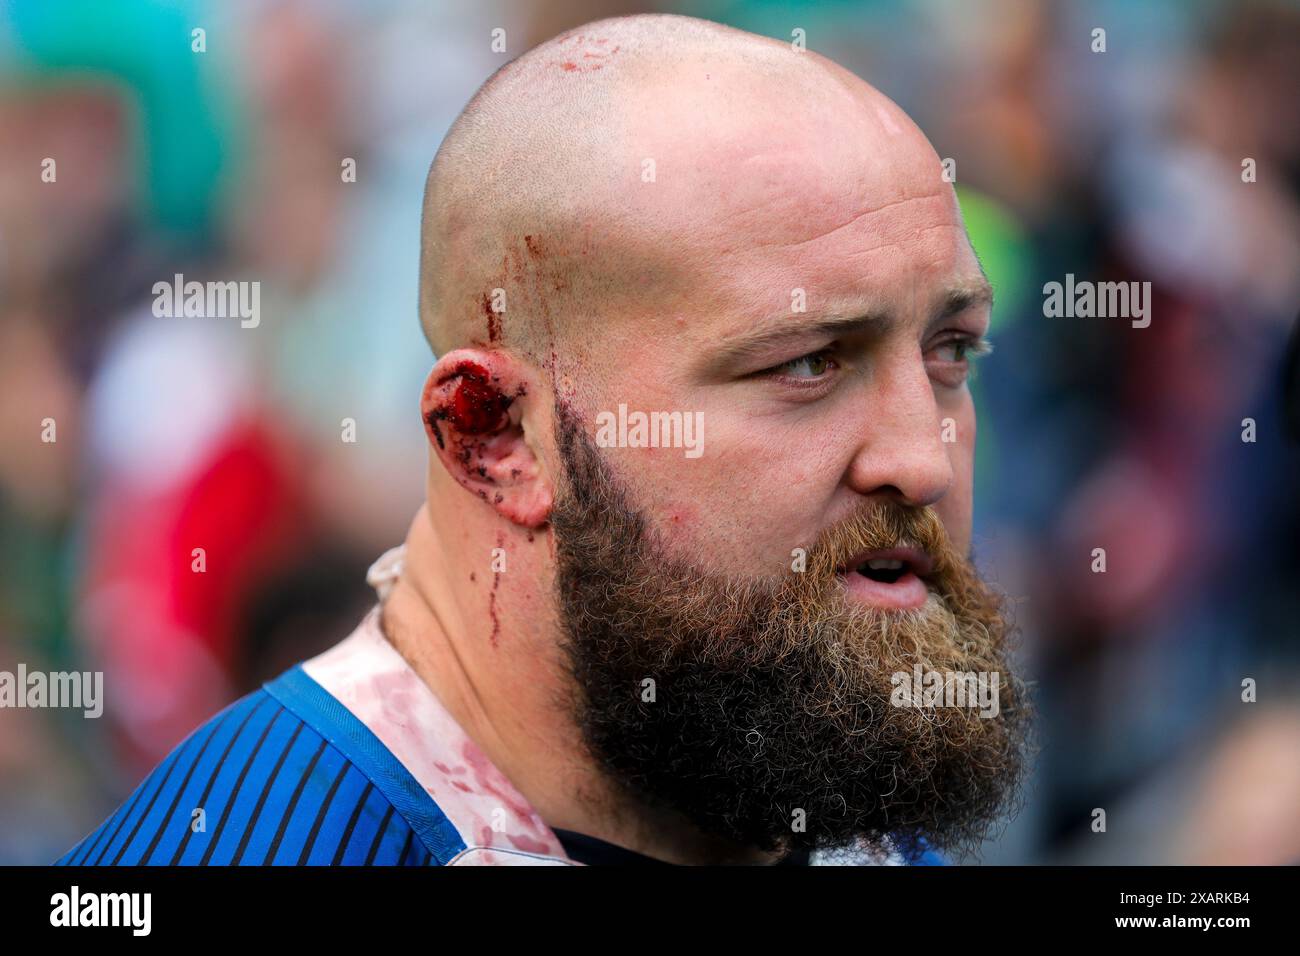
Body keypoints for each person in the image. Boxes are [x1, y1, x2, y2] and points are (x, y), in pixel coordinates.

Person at [59, 12, 1030, 867]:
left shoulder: (818, 794)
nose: (923, 456)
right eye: (809, 363)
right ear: (496, 438)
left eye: (950, 352)